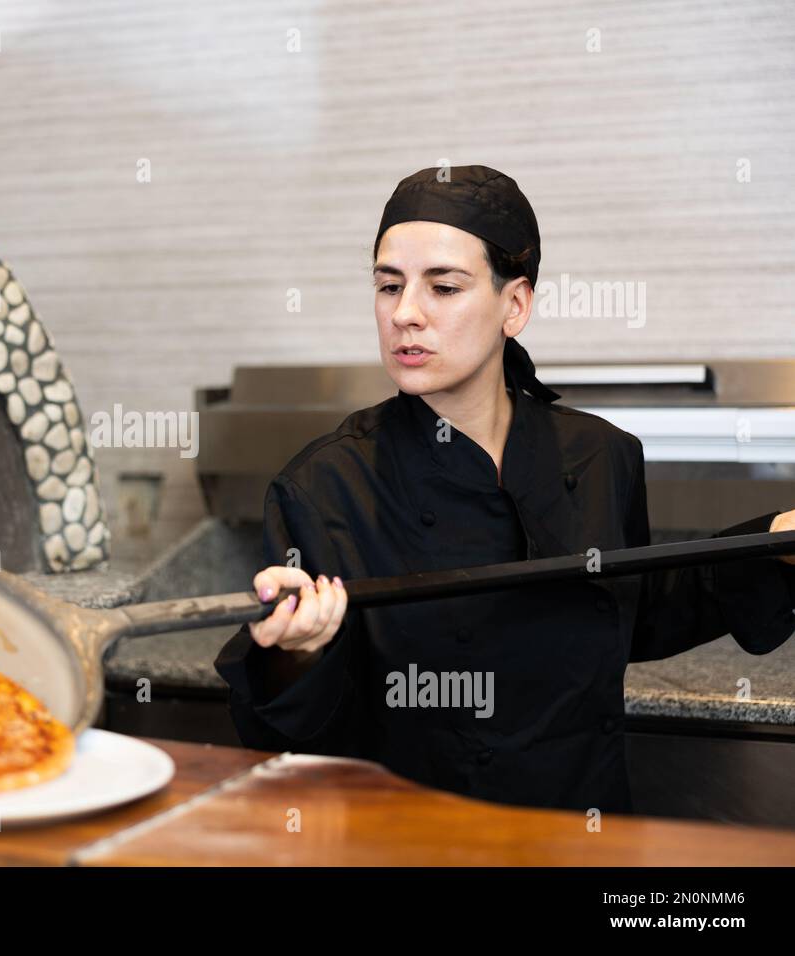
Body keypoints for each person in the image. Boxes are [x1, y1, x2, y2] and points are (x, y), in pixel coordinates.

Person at [213, 164, 795, 813]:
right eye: (388, 285)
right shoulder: (325, 486)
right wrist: (298, 654)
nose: (406, 314)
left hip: (583, 830)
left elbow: (632, 613)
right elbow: (284, 734)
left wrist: (774, 543)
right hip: (420, 843)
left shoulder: (601, 454)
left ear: (514, 304)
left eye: (443, 287)